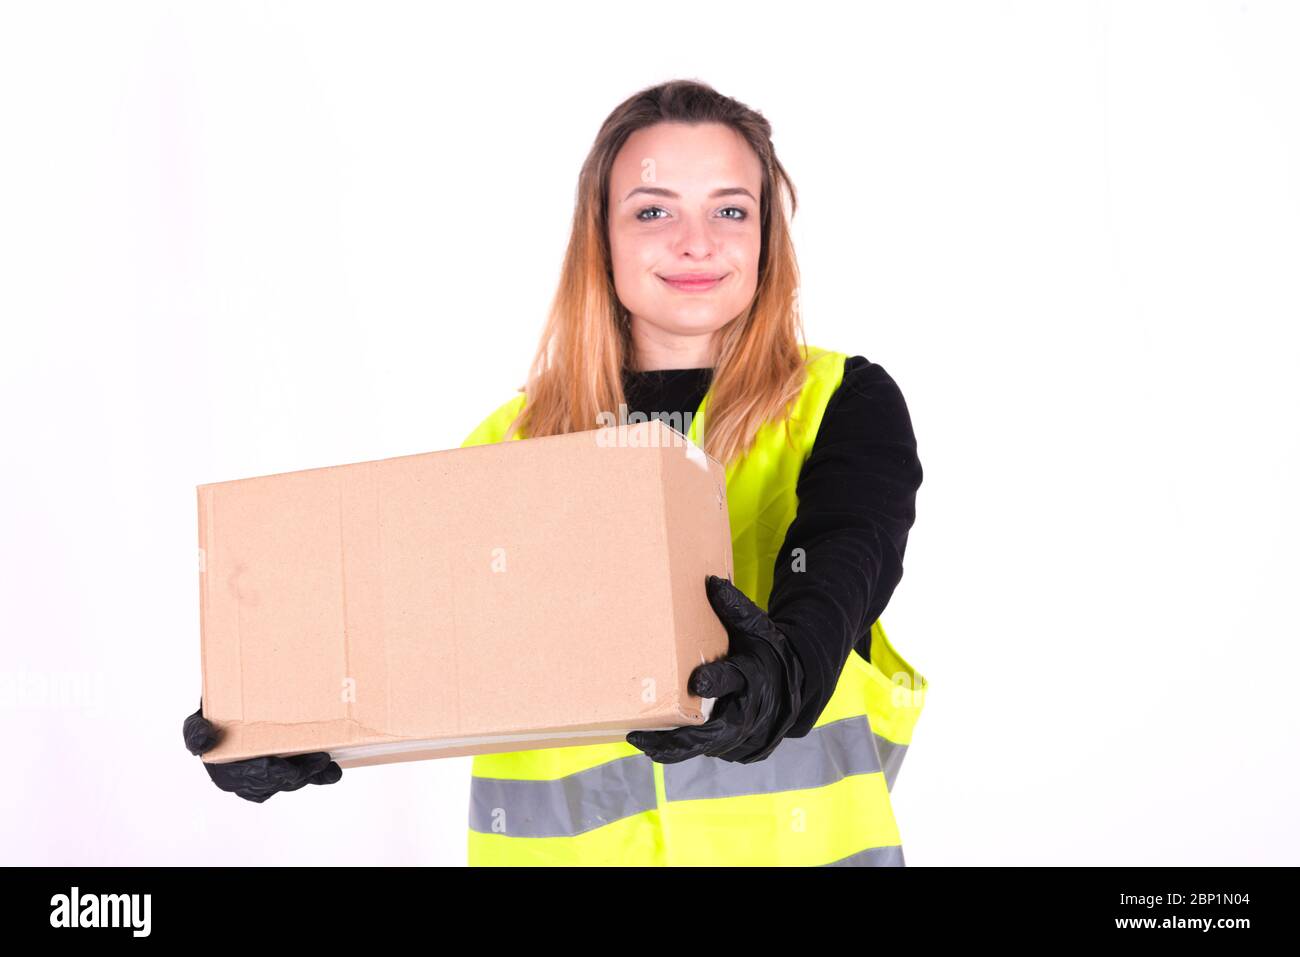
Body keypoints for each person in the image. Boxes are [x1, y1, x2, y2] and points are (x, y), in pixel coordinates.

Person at [184, 78, 928, 866]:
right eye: (652, 210)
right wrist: (273, 716)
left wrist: (783, 673)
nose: (696, 240)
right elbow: (391, 641)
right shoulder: (510, 444)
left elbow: (846, 567)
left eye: (730, 209)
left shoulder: (839, 405)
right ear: (599, 238)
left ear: (767, 238)